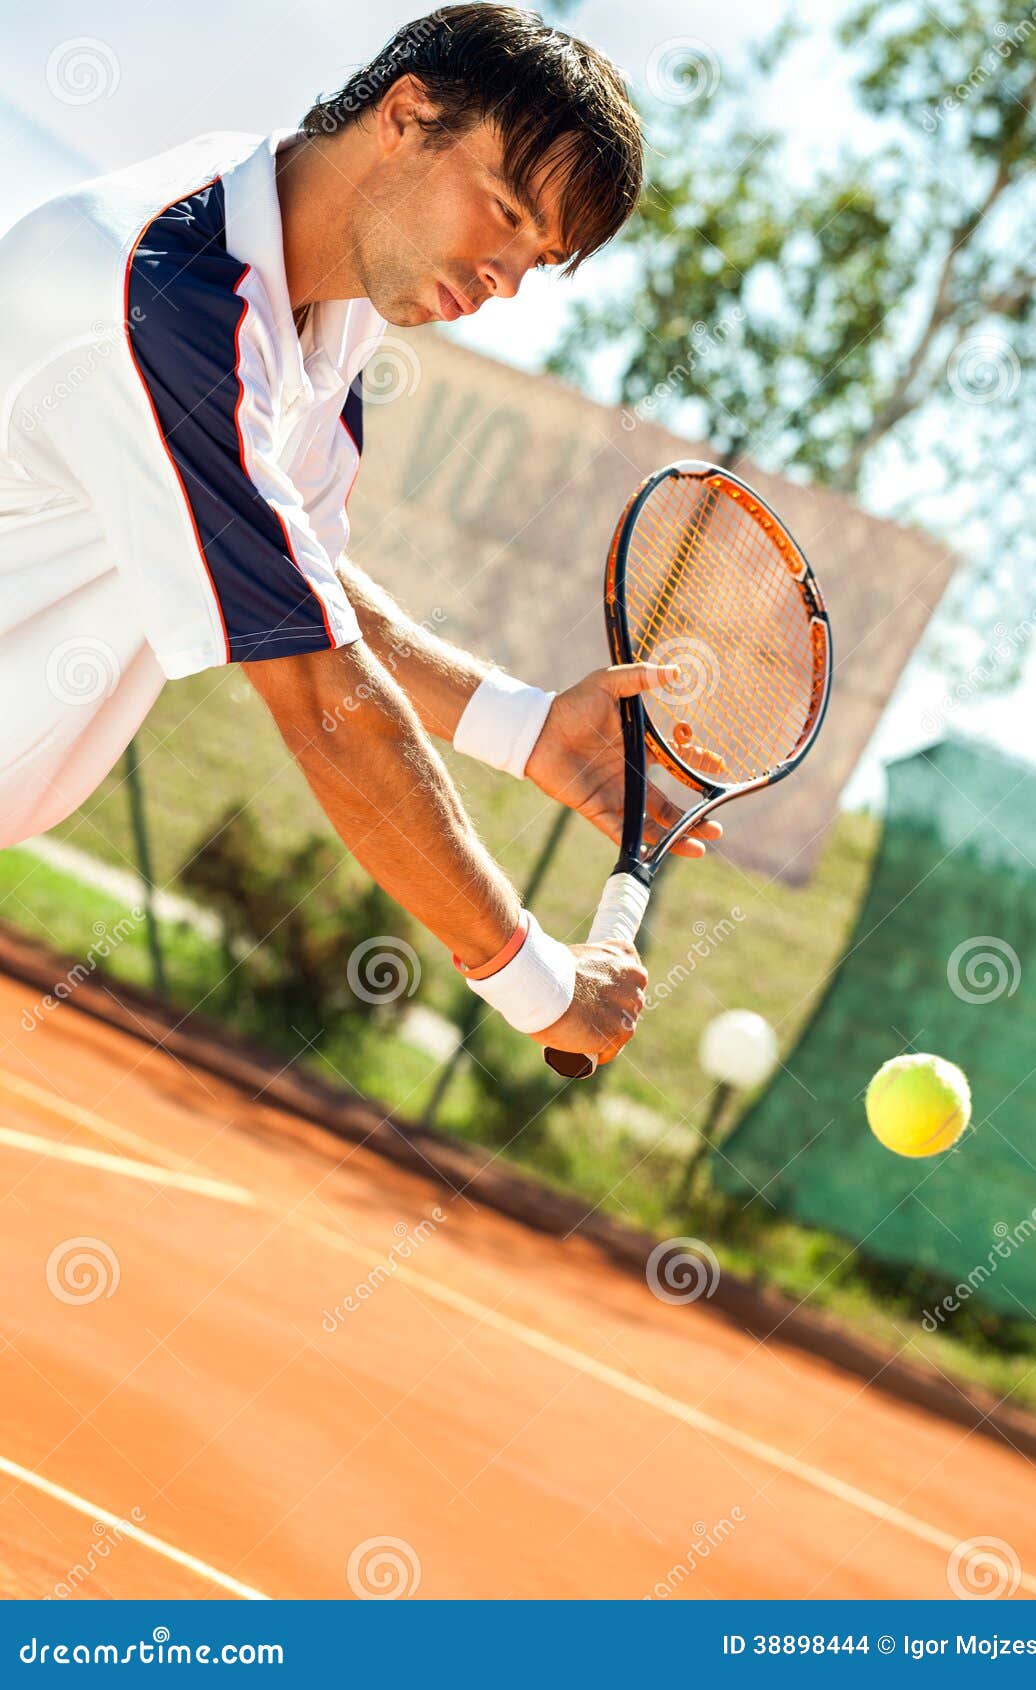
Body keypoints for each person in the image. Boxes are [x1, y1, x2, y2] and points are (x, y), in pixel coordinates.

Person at [0, 4, 719, 1066]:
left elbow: (312, 580)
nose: (503, 282)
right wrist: (532, 979)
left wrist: (521, 729)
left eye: (539, 258)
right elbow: (323, 694)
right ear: (405, 115)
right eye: (504, 210)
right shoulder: (162, 293)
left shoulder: (321, 311)